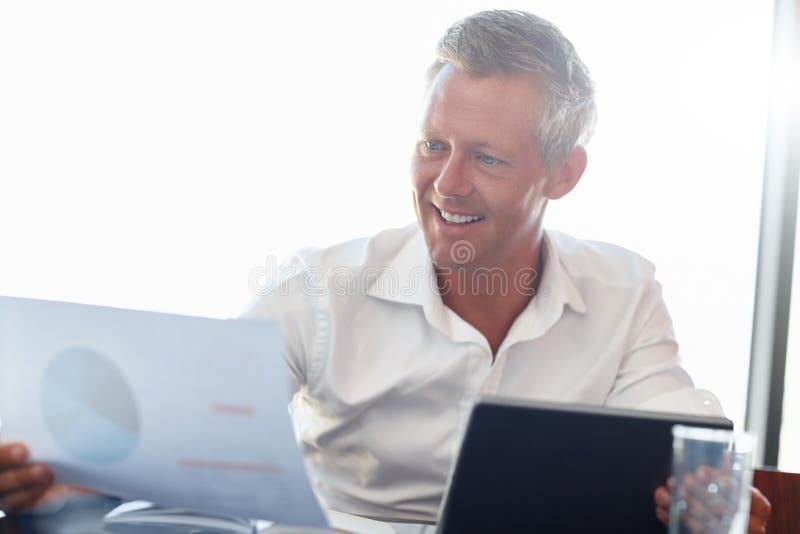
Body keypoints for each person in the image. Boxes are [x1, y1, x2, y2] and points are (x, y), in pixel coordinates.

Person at [0, 9, 770, 532]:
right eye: (434, 144)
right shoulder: (315, 289)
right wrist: (57, 478)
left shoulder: (625, 290)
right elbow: (183, 445)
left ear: (564, 174)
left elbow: (689, 443)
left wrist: (715, 497)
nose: (446, 183)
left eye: (488, 158)